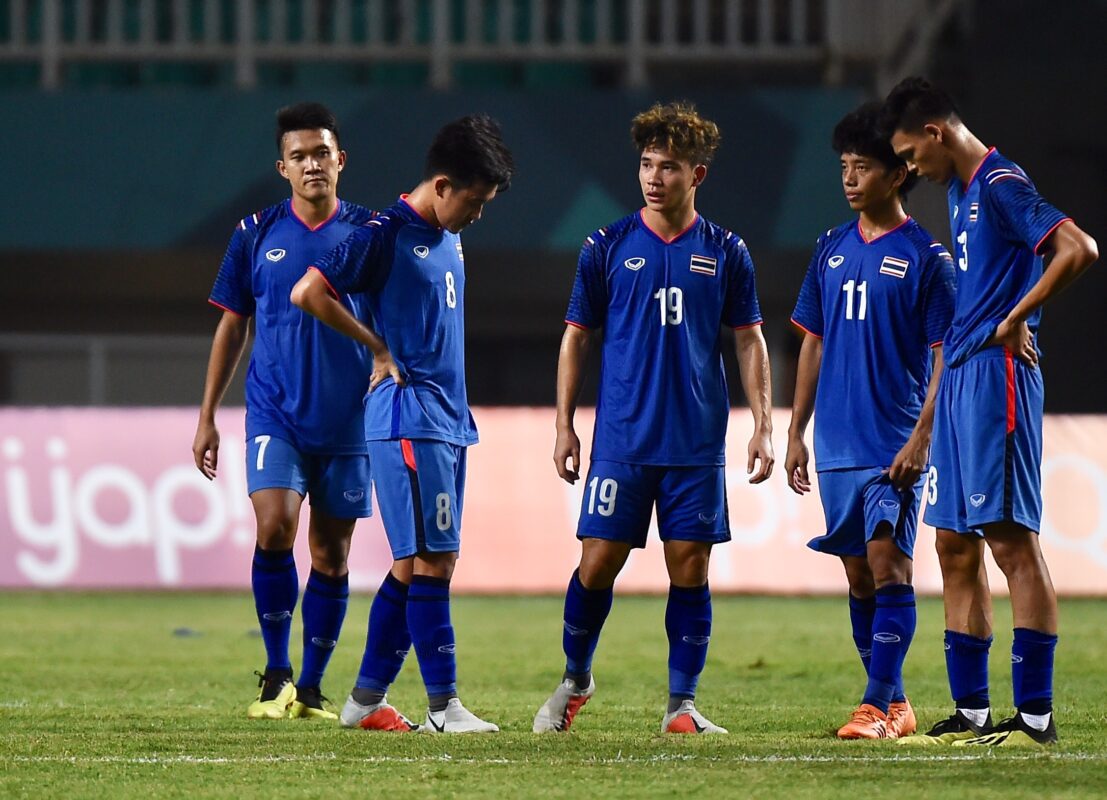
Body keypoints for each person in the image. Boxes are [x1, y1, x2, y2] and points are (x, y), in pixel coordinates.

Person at [532, 102, 774, 736]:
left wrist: (764, 424)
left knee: (689, 567)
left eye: (668, 166)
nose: (654, 177)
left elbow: (749, 340)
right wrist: (564, 423)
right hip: (622, 442)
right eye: (646, 164)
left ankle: (681, 706)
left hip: (693, 443)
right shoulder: (606, 246)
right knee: (596, 564)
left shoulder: (726, 251)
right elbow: (576, 337)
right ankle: (575, 677)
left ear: (697, 175)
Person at [883, 77, 1098, 747]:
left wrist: (1017, 314)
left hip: (997, 381)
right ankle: (972, 713)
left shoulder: (1001, 183)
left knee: (1009, 543)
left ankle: (1033, 717)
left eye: (911, 157)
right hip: (959, 384)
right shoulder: (958, 190)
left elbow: (1079, 248)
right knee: (951, 544)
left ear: (935, 134)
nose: (911, 172)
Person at [291, 114, 515, 734]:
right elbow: (308, 292)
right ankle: (444, 708)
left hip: (445, 419)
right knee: (433, 563)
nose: (477, 215)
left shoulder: (449, 235)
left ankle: (365, 702)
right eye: (474, 202)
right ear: (442, 186)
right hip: (407, 419)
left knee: (411, 566)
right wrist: (376, 349)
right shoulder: (382, 234)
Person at [193, 102, 394, 720]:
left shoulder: (370, 232)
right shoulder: (255, 233)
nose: (312, 165)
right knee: (274, 526)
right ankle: (275, 672)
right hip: (274, 414)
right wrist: (207, 416)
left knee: (331, 555)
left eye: (322, 154)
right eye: (299, 156)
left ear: (341, 160)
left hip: (349, 422)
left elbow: (397, 309)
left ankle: (309, 687)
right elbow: (232, 326)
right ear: (282, 167)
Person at [785, 102, 956, 740]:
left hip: (893, 442)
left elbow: (946, 356)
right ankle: (898, 705)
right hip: (835, 442)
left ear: (896, 175)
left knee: (890, 566)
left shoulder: (926, 259)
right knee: (858, 573)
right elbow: (812, 341)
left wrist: (923, 435)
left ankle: (874, 704)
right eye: (844, 167)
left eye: (863, 167)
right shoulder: (830, 248)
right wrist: (797, 431)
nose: (849, 178)